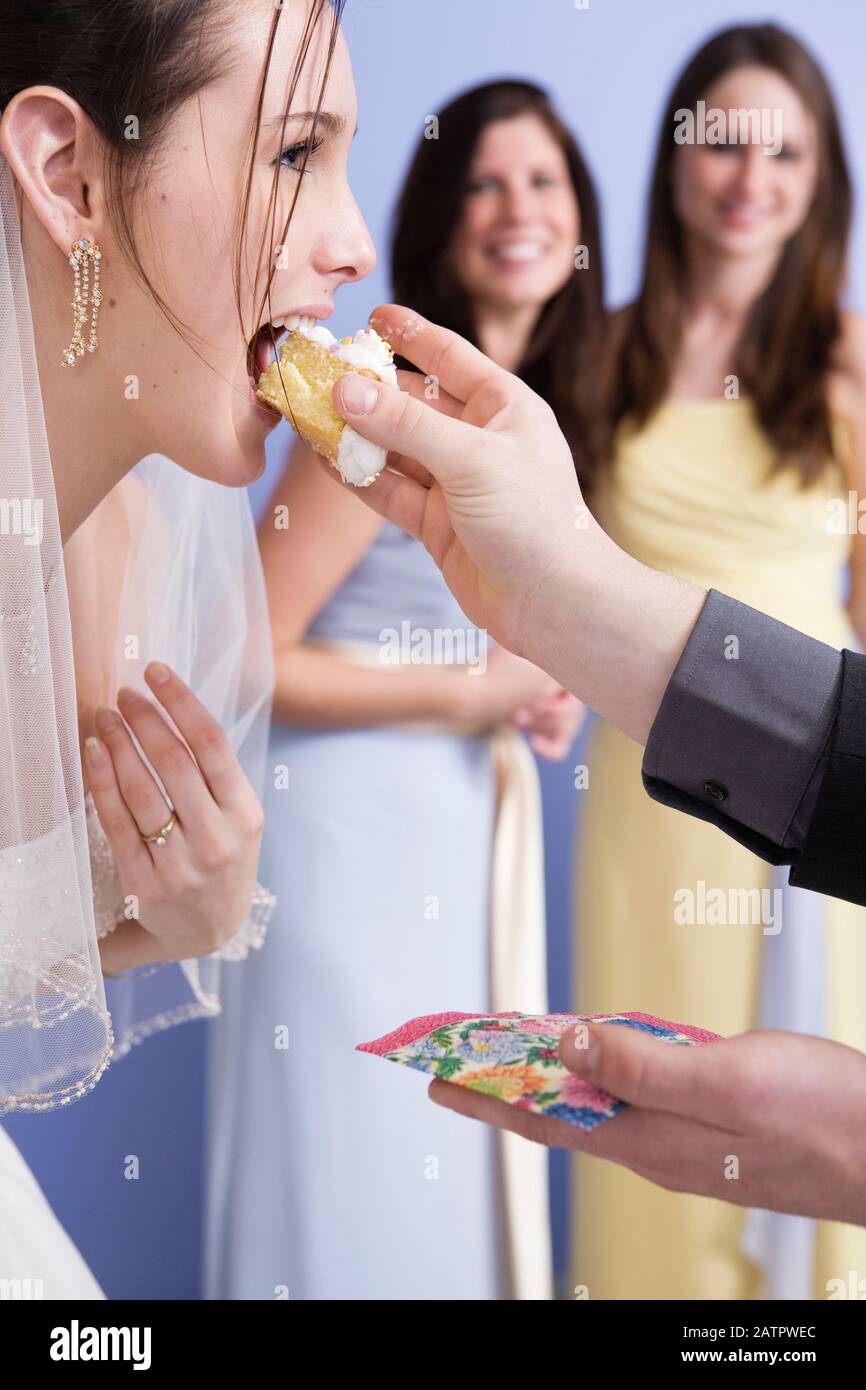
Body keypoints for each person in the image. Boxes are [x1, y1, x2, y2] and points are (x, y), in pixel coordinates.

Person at [323, 301, 866, 1236]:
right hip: (683, 787)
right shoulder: (614, 352)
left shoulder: (839, 363)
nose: (346, 245)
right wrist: (557, 598)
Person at [203, 76, 586, 1303]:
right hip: (341, 846)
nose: (514, 209)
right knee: (356, 1158)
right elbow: (249, 650)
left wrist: (535, 689)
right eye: (481, 180)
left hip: (461, 835)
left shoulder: (542, 424)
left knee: (443, 1169)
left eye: (541, 181)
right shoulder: (377, 397)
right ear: (436, 211)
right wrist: (467, 691)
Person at [0, 0, 345, 1295]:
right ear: (69, 175)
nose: (353, 244)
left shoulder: (123, 539)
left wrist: (176, 917)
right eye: (296, 154)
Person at [571, 23, 866, 1301]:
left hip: (813, 784)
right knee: (636, 1107)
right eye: (724, 142)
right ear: (675, 158)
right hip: (643, 799)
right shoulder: (600, 351)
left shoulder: (846, 363)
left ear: (820, 183)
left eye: (785, 153)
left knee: (799, 1129)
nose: (751, 177)